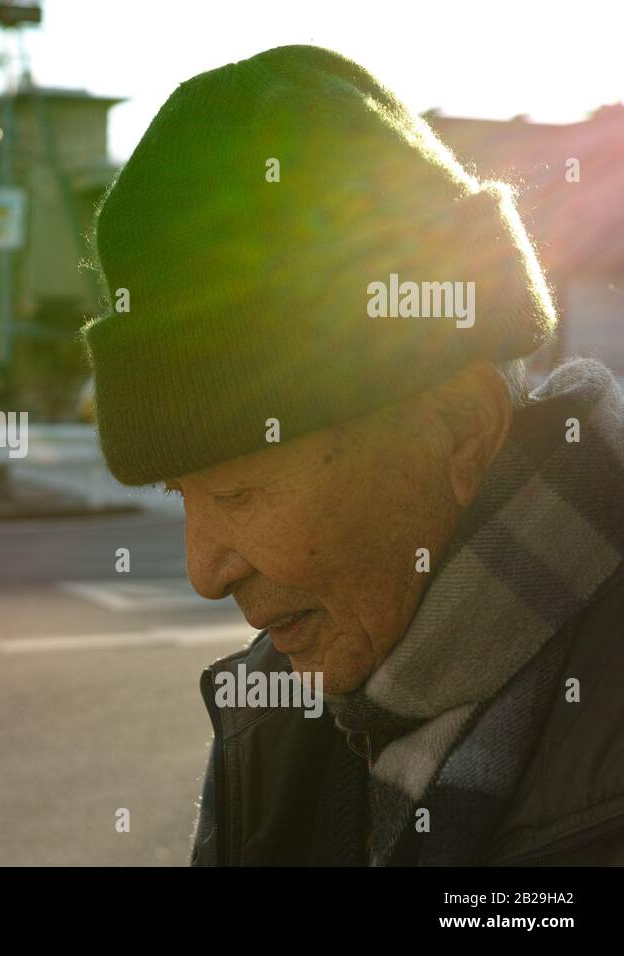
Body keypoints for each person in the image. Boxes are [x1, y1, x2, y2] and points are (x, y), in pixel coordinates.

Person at [80, 45, 624, 865]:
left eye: (237, 491)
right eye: (178, 493)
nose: (204, 570)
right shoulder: (282, 711)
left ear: (461, 432)